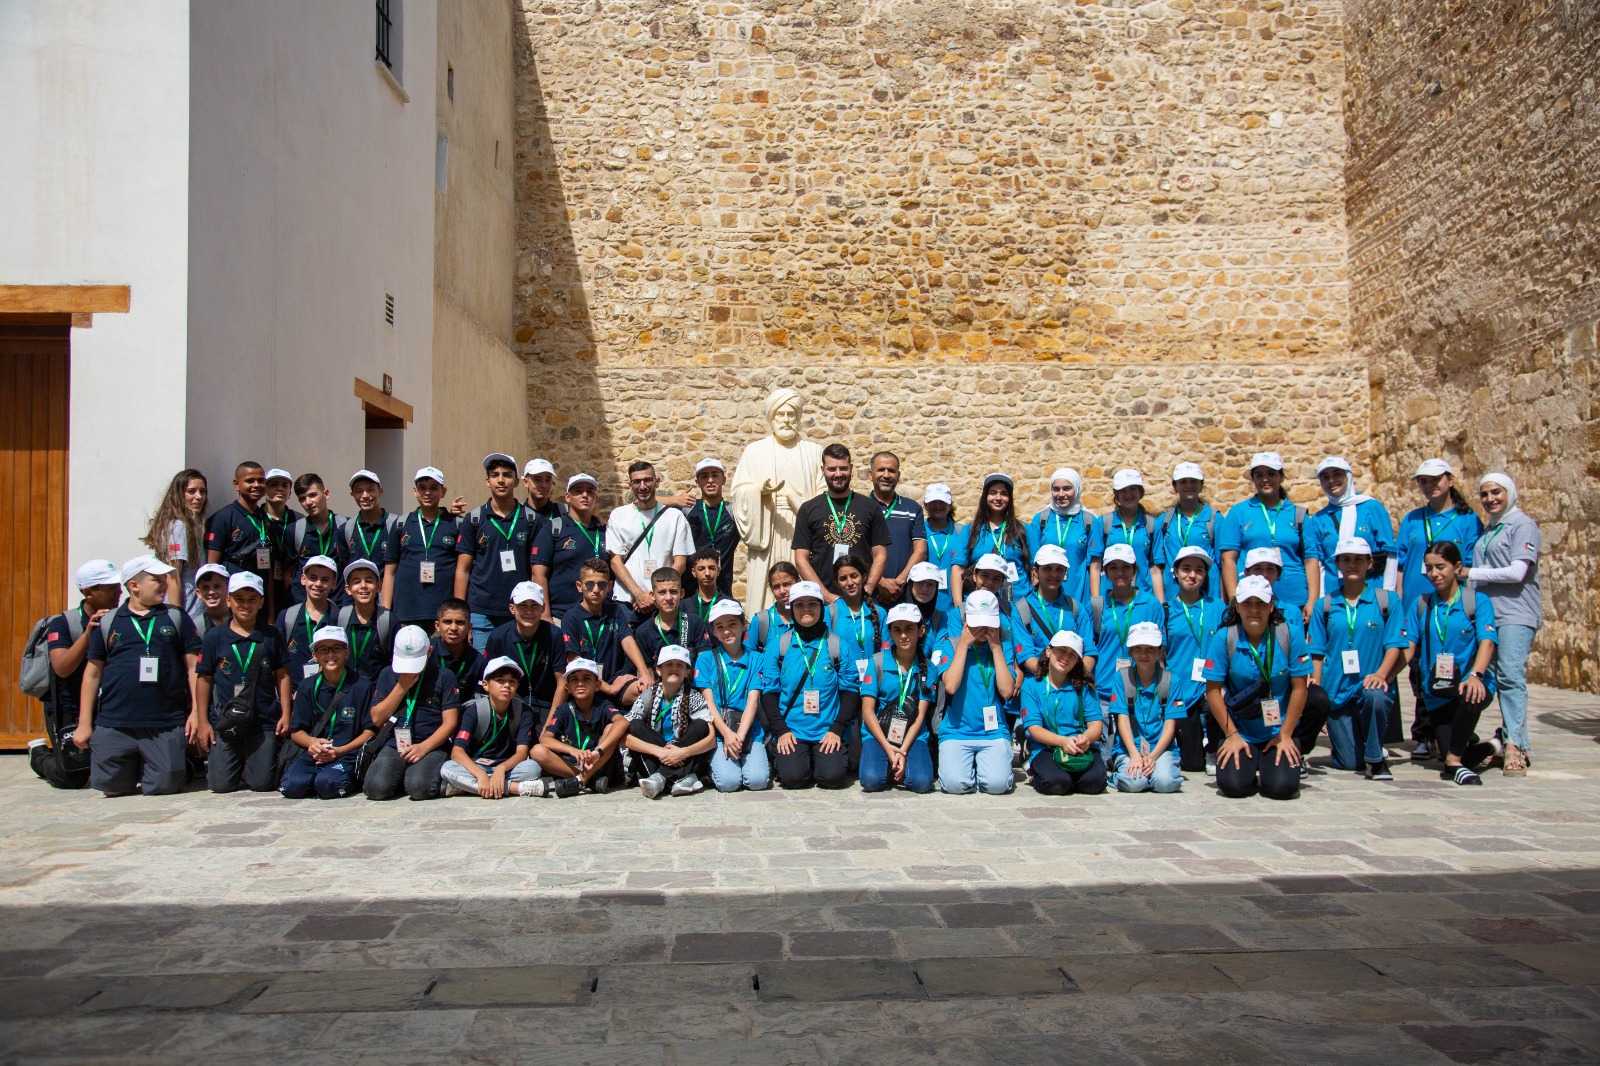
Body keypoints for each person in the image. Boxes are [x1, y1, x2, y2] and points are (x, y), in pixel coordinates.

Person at [72, 556, 201, 797]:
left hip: (164, 722)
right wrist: (84, 724)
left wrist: (196, 713)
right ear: (134, 586)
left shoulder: (176, 617)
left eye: (164, 579)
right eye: (156, 580)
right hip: (115, 722)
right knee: (112, 790)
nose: (164, 584)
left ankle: (165, 763)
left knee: (164, 787)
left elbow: (193, 667)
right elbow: (92, 673)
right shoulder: (108, 621)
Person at [1395, 459, 1483, 756]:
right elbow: (1401, 564)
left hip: (1452, 608)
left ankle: (1455, 728)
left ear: (1450, 480)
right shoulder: (1412, 519)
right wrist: (1399, 599)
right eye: (1423, 480)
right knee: (1419, 669)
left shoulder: (1468, 519)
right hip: (1418, 605)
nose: (1429, 485)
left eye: (1435, 479)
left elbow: (1471, 564)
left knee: (1453, 668)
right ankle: (1424, 733)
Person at [1203, 575, 1310, 800]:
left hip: (1278, 729)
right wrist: (1231, 734)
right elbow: (1212, 691)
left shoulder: (1290, 635)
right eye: (1247, 603)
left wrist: (1286, 734)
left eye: (1260, 603)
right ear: (1236, 606)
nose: (1254, 609)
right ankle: (1250, 767)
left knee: (1282, 789)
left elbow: (1300, 688)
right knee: (1233, 787)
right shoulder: (1224, 638)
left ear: (1271, 606)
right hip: (1240, 729)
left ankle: (1272, 762)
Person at [1308, 537, 1406, 780]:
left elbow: (1394, 644)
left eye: (1358, 560)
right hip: (1337, 690)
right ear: (1337, 564)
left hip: (1369, 684)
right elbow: (1317, 652)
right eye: (1346, 559)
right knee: (1350, 763)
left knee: (1375, 697)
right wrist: (1318, 693)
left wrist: (1382, 674)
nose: (1352, 565)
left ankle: (1375, 759)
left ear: (1369, 563)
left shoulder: (1387, 601)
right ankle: (1355, 747)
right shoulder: (1324, 605)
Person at [727, 386, 827, 615]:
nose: (786, 419)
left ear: (798, 418)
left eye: (791, 414)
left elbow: (824, 494)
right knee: (764, 596)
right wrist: (759, 491)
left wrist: (798, 503)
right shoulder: (755, 451)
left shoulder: (813, 451)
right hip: (767, 527)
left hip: (803, 530)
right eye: (781, 414)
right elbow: (738, 491)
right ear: (771, 418)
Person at [1467, 472, 1541, 777]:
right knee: (1494, 679)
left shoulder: (1523, 525)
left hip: (1515, 613)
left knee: (1510, 676)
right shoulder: (1490, 529)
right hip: (1489, 614)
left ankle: (1515, 746)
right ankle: (1510, 739)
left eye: (1496, 492)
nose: (1490, 499)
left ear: (1510, 492)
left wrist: (1470, 573)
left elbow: (1516, 572)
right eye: (1484, 494)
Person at [192, 572, 292, 793]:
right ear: (228, 600)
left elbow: (282, 675)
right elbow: (204, 679)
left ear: (261, 602)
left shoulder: (272, 635)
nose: (245, 605)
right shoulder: (214, 637)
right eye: (239, 599)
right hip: (225, 720)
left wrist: (285, 713)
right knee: (220, 785)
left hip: (262, 720)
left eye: (252, 599)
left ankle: (251, 765)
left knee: (262, 784)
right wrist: (203, 721)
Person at [1410, 541, 1499, 785]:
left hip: (1470, 684)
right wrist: (1386, 674)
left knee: (1471, 695)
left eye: (1440, 567)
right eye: (1429, 568)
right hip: (1437, 691)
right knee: (1457, 751)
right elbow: (1408, 647)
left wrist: (1476, 676)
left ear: (1457, 567)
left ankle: (1452, 764)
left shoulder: (1477, 602)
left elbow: (1487, 642)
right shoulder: (1421, 604)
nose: (1434, 574)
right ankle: (1494, 745)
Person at [758, 581, 860, 789]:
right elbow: (769, 694)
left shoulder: (837, 646)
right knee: (793, 778)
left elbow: (850, 692)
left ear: (821, 607)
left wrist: (837, 729)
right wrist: (782, 730)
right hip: (792, 730)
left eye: (812, 604)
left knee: (832, 778)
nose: (806, 609)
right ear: (792, 609)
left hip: (827, 730)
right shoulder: (779, 646)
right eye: (799, 604)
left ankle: (817, 761)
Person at [34, 561, 124, 789]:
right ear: (88, 592)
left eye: (118, 586)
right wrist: (87, 635)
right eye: (111, 588)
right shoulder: (63, 623)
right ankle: (39, 755)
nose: (119, 592)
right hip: (69, 706)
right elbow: (62, 667)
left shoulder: (121, 619)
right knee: (72, 777)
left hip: (108, 705)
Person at [456, 453, 554, 649]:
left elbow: (537, 571)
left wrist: (541, 611)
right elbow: (462, 570)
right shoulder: (474, 519)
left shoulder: (532, 520)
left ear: (517, 482)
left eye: (507, 475)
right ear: (487, 481)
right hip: (481, 612)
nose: (501, 480)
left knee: (518, 664)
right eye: (495, 475)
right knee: (484, 666)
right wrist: (460, 615)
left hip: (521, 609)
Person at [1218, 452, 1322, 623]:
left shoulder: (1298, 515)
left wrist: (1312, 601)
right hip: (1252, 599)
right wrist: (1234, 599)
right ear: (1253, 479)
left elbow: (1311, 559)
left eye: (1271, 474)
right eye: (1259, 475)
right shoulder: (1239, 512)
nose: (1265, 479)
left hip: (1294, 599)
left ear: (1281, 477)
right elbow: (1228, 559)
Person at [363, 624, 462, 801]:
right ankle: (400, 777)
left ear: (429, 652)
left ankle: (422, 777)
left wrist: (424, 747)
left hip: (431, 743)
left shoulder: (444, 676)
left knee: (419, 788)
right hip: (396, 743)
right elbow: (377, 718)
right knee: (375, 788)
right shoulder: (387, 674)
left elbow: (450, 723)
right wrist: (401, 687)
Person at [938, 591, 1019, 794]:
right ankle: (970, 768)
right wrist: (964, 645)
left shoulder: (1003, 646)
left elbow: (1006, 690)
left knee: (997, 785)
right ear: (966, 620)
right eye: (977, 623)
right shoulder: (951, 645)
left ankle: (985, 767)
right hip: (957, 731)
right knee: (955, 784)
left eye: (988, 624)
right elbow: (951, 686)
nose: (983, 629)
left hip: (993, 732)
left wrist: (996, 648)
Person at [280, 626, 374, 799]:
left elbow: (370, 731)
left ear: (346, 653)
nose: (330, 654)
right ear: (315, 655)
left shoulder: (362, 685)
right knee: (293, 786)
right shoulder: (306, 686)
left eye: (337, 648)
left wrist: (341, 751)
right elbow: (296, 730)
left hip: (346, 753)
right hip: (313, 752)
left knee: (327, 785)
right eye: (323, 649)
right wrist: (312, 742)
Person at [792, 443, 890, 601]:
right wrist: (826, 596)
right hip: (823, 603)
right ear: (823, 470)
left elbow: (880, 554)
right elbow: (801, 559)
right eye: (832, 469)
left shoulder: (871, 507)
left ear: (851, 468)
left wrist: (867, 590)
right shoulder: (808, 510)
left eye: (843, 468)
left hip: (863, 601)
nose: (838, 474)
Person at [858, 603, 936, 793]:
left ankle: (896, 765)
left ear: (921, 630)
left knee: (922, 783)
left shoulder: (929, 668)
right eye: (897, 630)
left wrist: (903, 750)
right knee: (871, 781)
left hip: (912, 735)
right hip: (879, 734)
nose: (903, 635)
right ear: (890, 633)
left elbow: (920, 715)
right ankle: (889, 764)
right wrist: (888, 748)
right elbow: (867, 711)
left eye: (909, 629)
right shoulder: (877, 662)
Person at [440, 656, 543, 798]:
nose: (506, 685)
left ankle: (469, 787)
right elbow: (457, 752)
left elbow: (522, 753)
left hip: (507, 767)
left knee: (533, 768)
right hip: (477, 765)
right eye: (500, 680)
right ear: (486, 684)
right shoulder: (474, 710)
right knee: (447, 768)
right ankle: (516, 788)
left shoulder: (524, 711)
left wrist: (501, 769)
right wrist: (480, 774)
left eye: (512, 682)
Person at [1163, 547, 1226, 774]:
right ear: (1175, 572)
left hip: (1212, 684)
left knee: (1217, 704)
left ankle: (1215, 749)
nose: (1192, 575)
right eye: (1186, 569)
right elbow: (1160, 655)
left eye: (1199, 570)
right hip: (1181, 688)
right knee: (1192, 764)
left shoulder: (1217, 607)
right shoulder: (1167, 610)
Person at [1021, 630, 1106, 796]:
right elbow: (1035, 729)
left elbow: (1096, 725)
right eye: (1061, 650)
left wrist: (1085, 739)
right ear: (1048, 651)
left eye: (1072, 655)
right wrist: (1062, 741)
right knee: (1057, 784)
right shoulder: (1031, 686)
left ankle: (1071, 777)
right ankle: (1036, 773)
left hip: (1079, 747)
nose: (1066, 658)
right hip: (1047, 747)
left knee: (1094, 784)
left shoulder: (1085, 686)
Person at [528, 658, 630, 795]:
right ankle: (589, 780)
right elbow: (545, 739)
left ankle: (582, 779)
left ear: (598, 685)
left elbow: (622, 722)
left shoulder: (603, 705)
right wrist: (573, 751)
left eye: (586, 678)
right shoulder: (563, 710)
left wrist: (598, 751)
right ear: (568, 687)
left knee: (611, 728)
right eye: (574, 679)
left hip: (600, 763)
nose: (580, 683)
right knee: (537, 751)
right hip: (574, 764)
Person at [625, 645, 717, 798]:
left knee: (701, 726)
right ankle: (684, 779)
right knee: (634, 726)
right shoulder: (648, 696)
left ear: (687, 672)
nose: (674, 668)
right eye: (669, 664)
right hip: (658, 756)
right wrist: (660, 752)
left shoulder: (694, 697)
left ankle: (661, 778)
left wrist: (682, 752)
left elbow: (711, 740)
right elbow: (624, 738)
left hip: (684, 756)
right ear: (658, 670)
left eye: (680, 665)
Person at [698, 601, 771, 792]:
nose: (726, 631)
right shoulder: (705, 659)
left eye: (732, 624)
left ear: (743, 625)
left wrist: (738, 737)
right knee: (729, 783)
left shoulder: (756, 658)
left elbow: (753, 701)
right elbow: (709, 703)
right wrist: (727, 734)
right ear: (713, 631)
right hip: (718, 732)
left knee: (758, 781)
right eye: (719, 627)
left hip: (748, 731)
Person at [606, 460, 695, 616]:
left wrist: (658, 594)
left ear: (657, 481)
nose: (642, 486)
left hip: (663, 602)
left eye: (647, 480)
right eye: (636, 482)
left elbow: (680, 563)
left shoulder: (675, 517)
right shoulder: (618, 515)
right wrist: (639, 594)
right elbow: (615, 561)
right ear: (630, 485)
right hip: (627, 601)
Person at [560, 558, 652, 707]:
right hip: (586, 682)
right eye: (590, 584)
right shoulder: (571, 617)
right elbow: (574, 660)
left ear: (609, 586)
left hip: (616, 679)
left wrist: (644, 673)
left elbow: (628, 640)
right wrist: (607, 688)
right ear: (579, 586)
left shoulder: (616, 610)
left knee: (646, 692)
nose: (596, 589)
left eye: (602, 584)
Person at [1106, 622, 1183, 793]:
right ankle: (1122, 774)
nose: (1143, 654)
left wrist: (1153, 757)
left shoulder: (1172, 681)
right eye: (1138, 648)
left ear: (1159, 652)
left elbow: (1170, 725)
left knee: (1165, 783)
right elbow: (1122, 720)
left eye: (1150, 649)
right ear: (1130, 651)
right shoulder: (1121, 678)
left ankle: (1157, 773)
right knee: (1134, 783)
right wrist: (1134, 755)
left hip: (1162, 749)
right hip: (1129, 748)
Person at [386, 467, 464, 631]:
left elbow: (463, 569)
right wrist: (385, 612)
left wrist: (460, 611)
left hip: (444, 615)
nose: (427, 492)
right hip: (406, 613)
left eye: (433, 488)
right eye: (422, 488)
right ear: (415, 491)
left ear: (443, 492)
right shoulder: (401, 524)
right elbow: (390, 571)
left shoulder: (456, 524)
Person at [1309, 457, 1397, 591]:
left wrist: (1388, 591)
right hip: (1334, 594)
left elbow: (1390, 553)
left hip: (1372, 592)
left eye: (1337, 474)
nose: (1331, 480)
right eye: (1325, 477)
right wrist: (1322, 598)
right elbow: (1320, 564)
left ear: (1348, 476)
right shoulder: (1319, 519)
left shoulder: (1371, 508)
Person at [1011, 544, 1093, 676]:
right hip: (1038, 684)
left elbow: (1089, 652)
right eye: (1047, 568)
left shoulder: (1076, 608)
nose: (1054, 574)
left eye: (1059, 569)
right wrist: (1053, 679)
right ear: (1035, 571)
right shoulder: (1021, 610)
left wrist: (1073, 678)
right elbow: (1027, 656)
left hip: (1071, 684)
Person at [1089, 544, 1165, 690]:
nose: (1120, 572)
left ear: (1134, 569)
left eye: (1126, 567)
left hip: (1141, 691)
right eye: (1113, 567)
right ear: (1105, 571)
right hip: (1103, 690)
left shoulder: (1152, 605)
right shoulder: (1096, 606)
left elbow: (1159, 653)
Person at [951, 472, 1031, 605]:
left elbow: (1036, 569)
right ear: (985, 496)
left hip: (1018, 604)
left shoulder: (1024, 529)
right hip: (978, 604)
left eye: (1004, 493)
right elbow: (958, 569)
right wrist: (959, 606)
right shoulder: (970, 531)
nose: (998, 498)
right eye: (993, 493)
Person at [483, 582, 565, 708]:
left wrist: (552, 720)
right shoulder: (498, 636)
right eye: (522, 605)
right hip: (509, 704)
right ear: (512, 608)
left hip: (545, 705)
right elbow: (490, 682)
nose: (529, 611)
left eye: (534, 605)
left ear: (543, 608)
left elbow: (562, 682)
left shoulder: (554, 635)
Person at [1089, 469, 1165, 601]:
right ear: (1116, 494)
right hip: (1110, 598)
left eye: (1133, 489)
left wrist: (1160, 604)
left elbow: (1155, 570)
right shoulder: (1103, 523)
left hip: (1143, 598)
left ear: (1140, 492)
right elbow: (1095, 566)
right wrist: (1096, 600)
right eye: (1123, 490)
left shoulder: (1153, 525)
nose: (1128, 494)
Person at [1152, 462, 1222, 600]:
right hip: (1173, 597)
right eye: (1183, 482)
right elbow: (1157, 566)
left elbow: (1223, 564)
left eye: (1193, 481)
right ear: (1175, 486)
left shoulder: (1215, 519)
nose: (1189, 485)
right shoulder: (1163, 521)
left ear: (1201, 485)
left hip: (1208, 597)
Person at [143, 468, 207, 617]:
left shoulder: (193, 525)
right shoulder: (178, 526)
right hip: (186, 612)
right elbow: (173, 576)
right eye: (191, 491)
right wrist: (178, 618)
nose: (199, 496)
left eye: (202, 491)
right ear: (179, 494)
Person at [205, 461, 273, 600]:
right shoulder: (222, 518)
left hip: (259, 596)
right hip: (233, 596)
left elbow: (269, 570)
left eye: (261, 481)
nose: (256, 485)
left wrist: (271, 608)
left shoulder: (266, 520)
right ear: (236, 484)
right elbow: (212, 567)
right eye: (250, 481)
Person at [1027, 468, 1096, 604]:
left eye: (1067, 488)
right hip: (1046, 596)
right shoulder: (1041, 519)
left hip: (1079, 595)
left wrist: (1095, 599)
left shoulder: (1089, 521)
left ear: (1077, 489)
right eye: (1056, 489)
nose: (1061, 494)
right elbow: (1033, 560)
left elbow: (1094, 564)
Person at [867, 452, 927, 606]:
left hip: (904, 593)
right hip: (870, 594)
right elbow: (855, 552)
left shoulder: (913, 508)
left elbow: (920, 550)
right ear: (871, 474)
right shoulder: (860, 508)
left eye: (891, 471)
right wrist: (879, 581)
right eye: (881, 470)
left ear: (898, 476)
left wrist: (900, 582)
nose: (886, 475)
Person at [547, 473, 608, 622]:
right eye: (578, 491)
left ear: (595, 498)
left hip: (600, 617)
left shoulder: (605, 530)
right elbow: (538, 574)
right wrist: (545, 615)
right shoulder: (554, 528)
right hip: (561, 615)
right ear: (567, 497)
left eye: (590, 492)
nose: (585, 495)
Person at [679, 458, 741, 599]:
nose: (710, 480)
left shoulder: (734, 512)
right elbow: (648, 502)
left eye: (715, 475)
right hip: (690, 592)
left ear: (723, 479)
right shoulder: (687, 510)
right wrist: (674, 500)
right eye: (704, 476)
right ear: (697, 482)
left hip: (722, 590)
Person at [824, 554, 888, 688]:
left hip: (873, 685)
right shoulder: (829, 613)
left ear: (863, 577)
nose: (849, 583)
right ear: (837, 583)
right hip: (842, 687)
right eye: (843, 578)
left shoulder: (879, 613)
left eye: (854, 576)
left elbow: (886, 652)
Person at [285, 474, 350, 606]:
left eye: (312, 495)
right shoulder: (294, 530)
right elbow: (288, 573)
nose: (308, 502)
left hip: (339, 603)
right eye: (302, 499)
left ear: (326, 494)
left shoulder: (346, 526)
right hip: (304, 604)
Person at [341, 470, 401, 608]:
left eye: (370, 490)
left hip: (389, 601)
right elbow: (344, 568)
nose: (365, 496)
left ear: (380, 491)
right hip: (357, 602)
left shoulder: (395, 525)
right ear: (352, 495)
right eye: (359, 491)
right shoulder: (346, 529)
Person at [277, 555, 340, 683]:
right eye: (313, 578)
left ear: (334, 583)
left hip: (330, 690)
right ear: (303, 579)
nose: (318, 584)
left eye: (325, 579)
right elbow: (278, 662)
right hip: (293, 691)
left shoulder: (340, 618)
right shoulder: (287, 617)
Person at [633, 568, 706, 665]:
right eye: (662, 592)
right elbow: (647, 670)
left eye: (673, 592)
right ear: (652, 595)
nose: (668, 598)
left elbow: (705, 659)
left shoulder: (695, 623)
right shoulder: (643, 632)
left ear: (682, 593)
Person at [337, 560, 394, 680]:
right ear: (347, 589)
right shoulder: (339, 618)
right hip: (345, 687)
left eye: (369, 581)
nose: (363, 586)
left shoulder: (389, 621)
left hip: (377, 689)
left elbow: (393, 663)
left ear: (379, 586)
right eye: (356, 581)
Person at [431, 598, 486, 696]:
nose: (453, 628)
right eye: (447, 622)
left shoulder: (478, 661)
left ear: (469, 627)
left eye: (460, 622)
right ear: (437, 626)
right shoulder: (426, 652)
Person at [744, 561, 799, 656]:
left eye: (787, 584)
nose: (782, 591)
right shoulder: (761, 621)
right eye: (776, 587)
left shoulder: (809, 617)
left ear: (798, 582)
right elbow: (747, 654)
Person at [921, 483, 960, 611]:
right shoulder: (917, 532)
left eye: (942, 502)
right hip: (924, 605)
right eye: (933, 502)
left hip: (954, 605)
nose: (938, 505)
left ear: (949, 506)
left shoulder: (962, 532)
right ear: (926, 505)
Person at [907, 562, 956, 656]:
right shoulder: (896, 614)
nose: (925, 588)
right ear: (911, 585)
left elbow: (938, 652)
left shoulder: (942, 618)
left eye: (931, 584)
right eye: (920, 582)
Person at [686, 548, 730, 628]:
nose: (707, 573)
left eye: (711, 568)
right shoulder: (683, 606)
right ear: (694, 572)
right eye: (701, 569)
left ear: (718, 570)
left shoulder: (730, 604)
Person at [521, 458, 566, 528]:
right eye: (537, 480)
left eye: (548, 480)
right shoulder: (517, 513)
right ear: (526, 482)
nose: (544, 485)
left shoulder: (564, 512)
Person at [191, 564, 231, 635]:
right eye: (205, 588)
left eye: (217, 586)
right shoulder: (197, 627)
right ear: (198, 593)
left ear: (228, 588)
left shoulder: (243, 620)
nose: (211, 592)